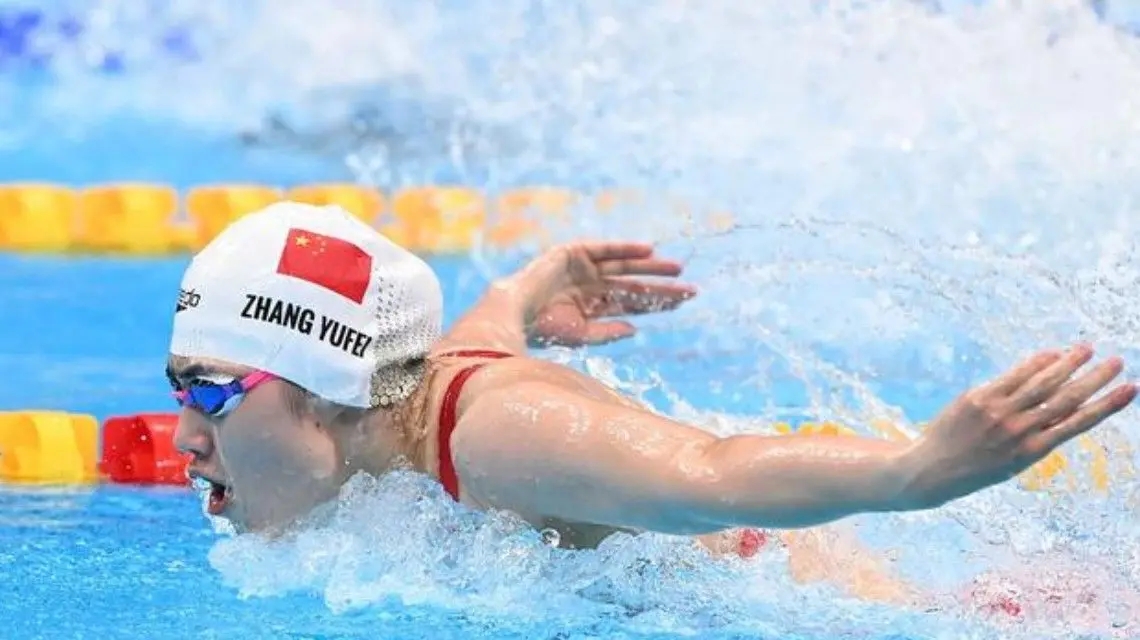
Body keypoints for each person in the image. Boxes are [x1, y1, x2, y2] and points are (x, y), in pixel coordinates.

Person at [168, 201, 1135, 619]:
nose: (184, 436)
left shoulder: (500, 435)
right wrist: (530, 284)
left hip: (883, 611)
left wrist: (913, 471)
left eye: (212, 390)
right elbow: (482, 326)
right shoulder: (403, 391)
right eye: (180, 390)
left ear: (331, 392)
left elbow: (710, 471)